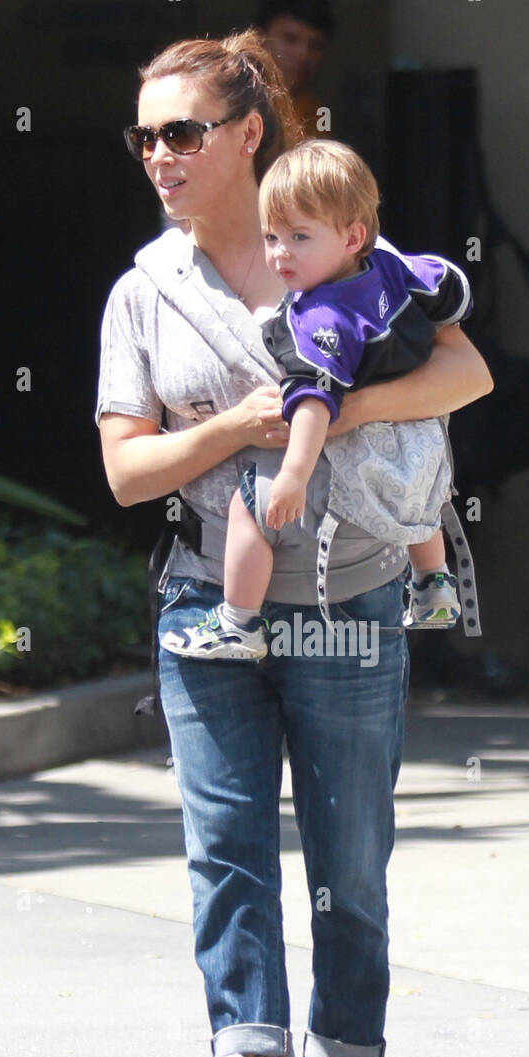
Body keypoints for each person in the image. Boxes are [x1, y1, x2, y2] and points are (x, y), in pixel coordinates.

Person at [97, 28, 493, 1057]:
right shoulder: (143, 288)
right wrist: (239, 430)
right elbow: (127, 471)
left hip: (354, 587)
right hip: (202, 598)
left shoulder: (331, 249)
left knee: (348, 861)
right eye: (144, 136)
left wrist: (335, 403)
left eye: (181, 132)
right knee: (224, 853)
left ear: (247, 135)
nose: (159, 156)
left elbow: (463, 372)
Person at [160, 138, 469, 664]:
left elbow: (314, 402)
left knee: (248, 509)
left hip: (350, 448)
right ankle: (435, 581)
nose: (280, 253)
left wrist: (293, 475)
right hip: (417, 427)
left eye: (299, 237)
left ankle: (237, 620)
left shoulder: (317, 318)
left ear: (351, 237)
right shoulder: (391, 267)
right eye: (271, 237)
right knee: (424, 496)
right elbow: (448, 286)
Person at [255, 0, 335, 135]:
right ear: (259, 38)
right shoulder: (234, 105)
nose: (303, 55)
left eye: (316, 45)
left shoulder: (318, 114)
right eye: (290, 39)